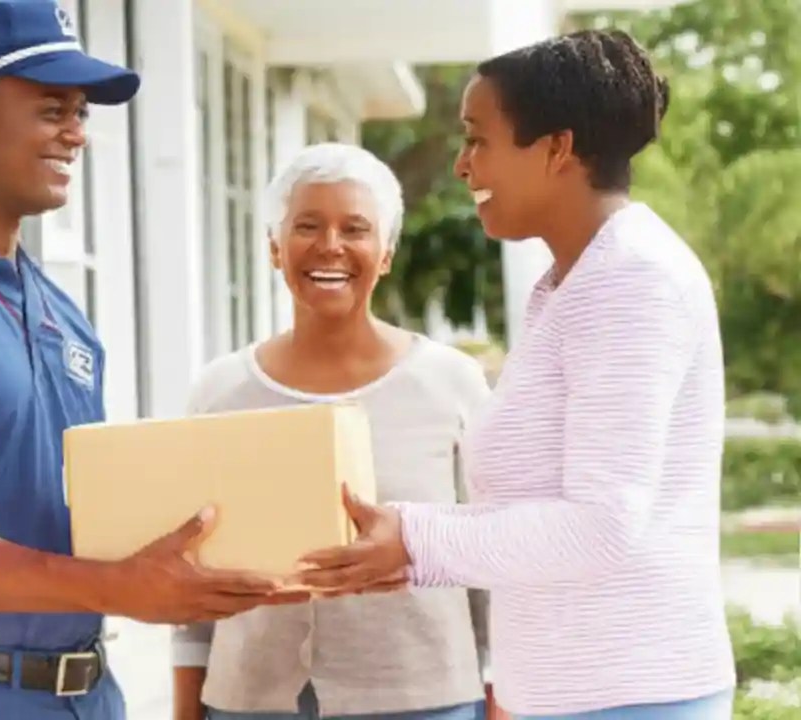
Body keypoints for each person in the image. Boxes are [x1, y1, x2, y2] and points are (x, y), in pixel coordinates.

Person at [0, 2, 300, 718]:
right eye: (51, 109)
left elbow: (80, 517)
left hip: (90, 694)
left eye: (80, 113)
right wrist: (114, 585)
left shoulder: (59, 312)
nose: (76, 134)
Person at [293, 29, 737, 720]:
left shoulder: (631, 279)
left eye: (478, 139)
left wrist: (413, 539)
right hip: (575, 694)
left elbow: (601, 526)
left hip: (630, 695)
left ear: (557, 149)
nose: (464, 167)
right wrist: (414, 554)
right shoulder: (568, 282)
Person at [171, 143, 492, 720]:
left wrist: (501, 701)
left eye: (355, 228)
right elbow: (192, 584)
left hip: (425, 700)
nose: (330, 246)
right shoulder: (219, 393)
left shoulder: (452, 384)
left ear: (386, 252)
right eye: (307, 226)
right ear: (274, 247)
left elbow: (493, 560)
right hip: (251, 702)